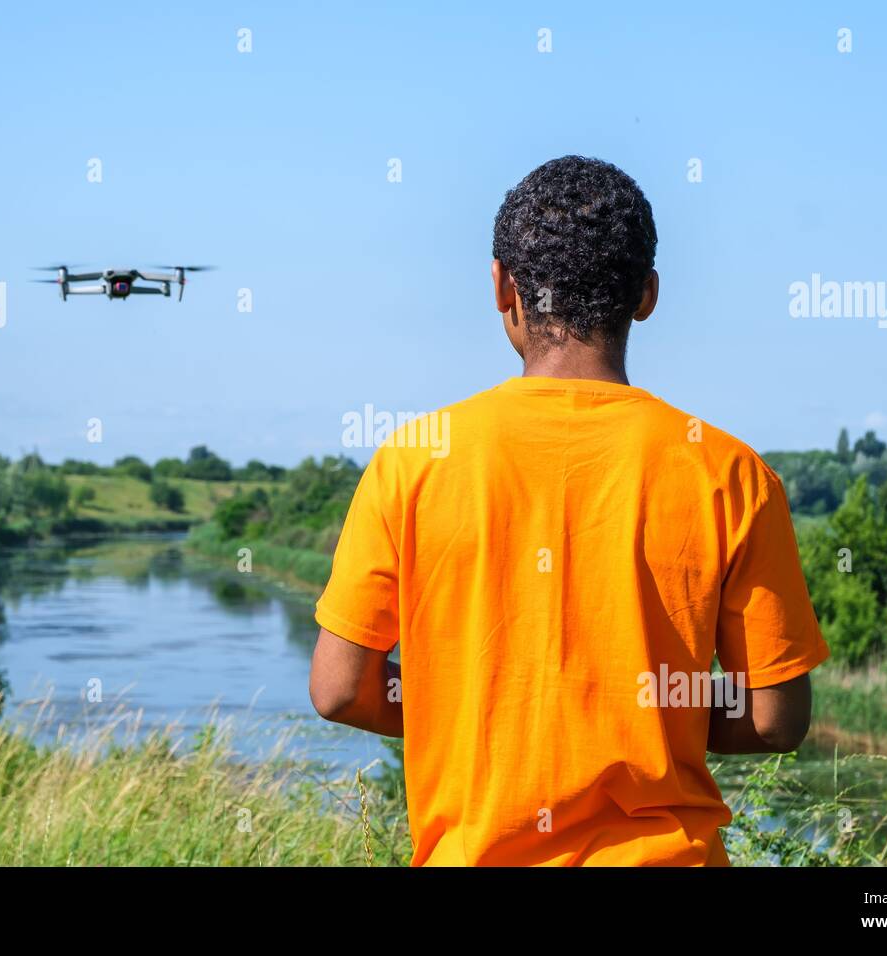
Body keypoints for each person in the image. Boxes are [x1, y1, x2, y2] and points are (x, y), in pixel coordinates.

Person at [309, 155, 829, 866]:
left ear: (503, 287)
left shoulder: (414, 459)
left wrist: (469, 706)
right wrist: (640, 713)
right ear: (646, 294)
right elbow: (776, 718)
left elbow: (340, 692)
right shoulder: (731, 473)